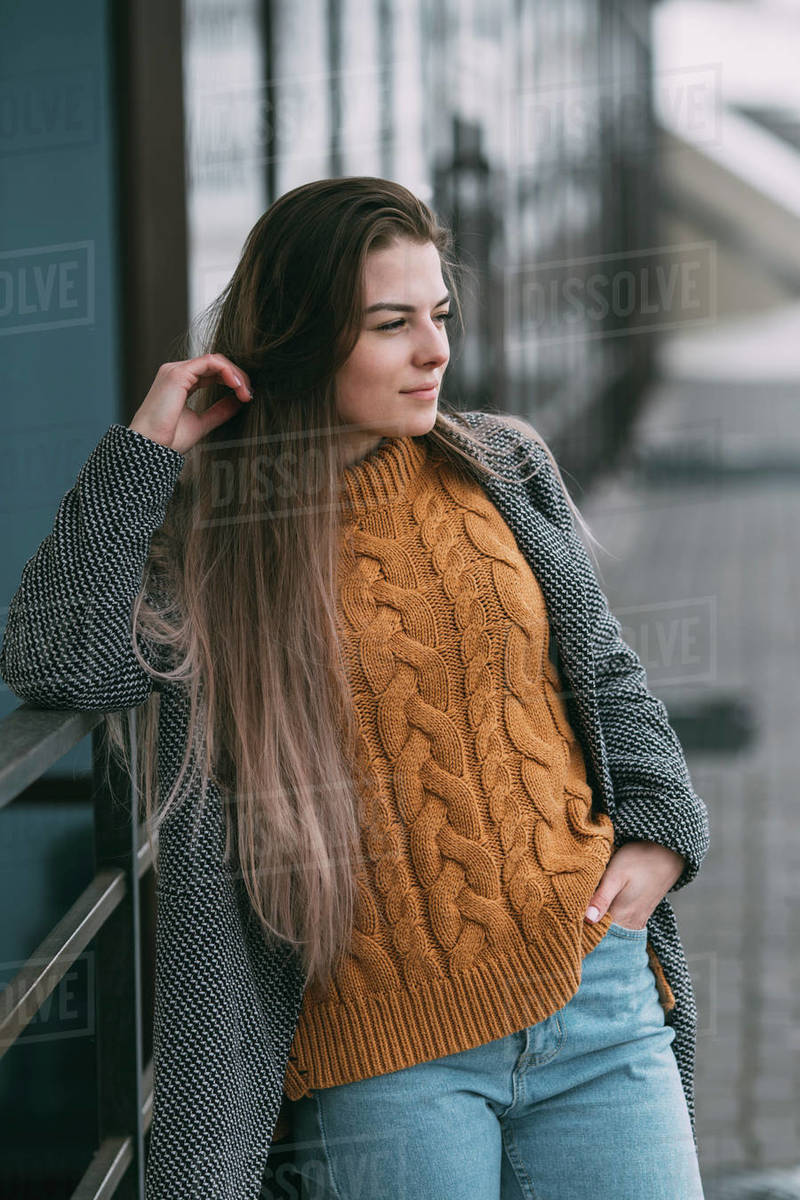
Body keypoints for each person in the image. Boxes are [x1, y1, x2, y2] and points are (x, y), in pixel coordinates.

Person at [0, 177, 710, 1200]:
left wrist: (655, 828)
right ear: (301, 336)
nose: (435, 352)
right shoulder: (216, 549)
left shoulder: (498, 467)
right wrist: (145, 452)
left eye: (438, 316)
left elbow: (600, 669)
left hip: (590, 994)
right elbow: (55, 655)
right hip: (386, 1056)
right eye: (391, 325)